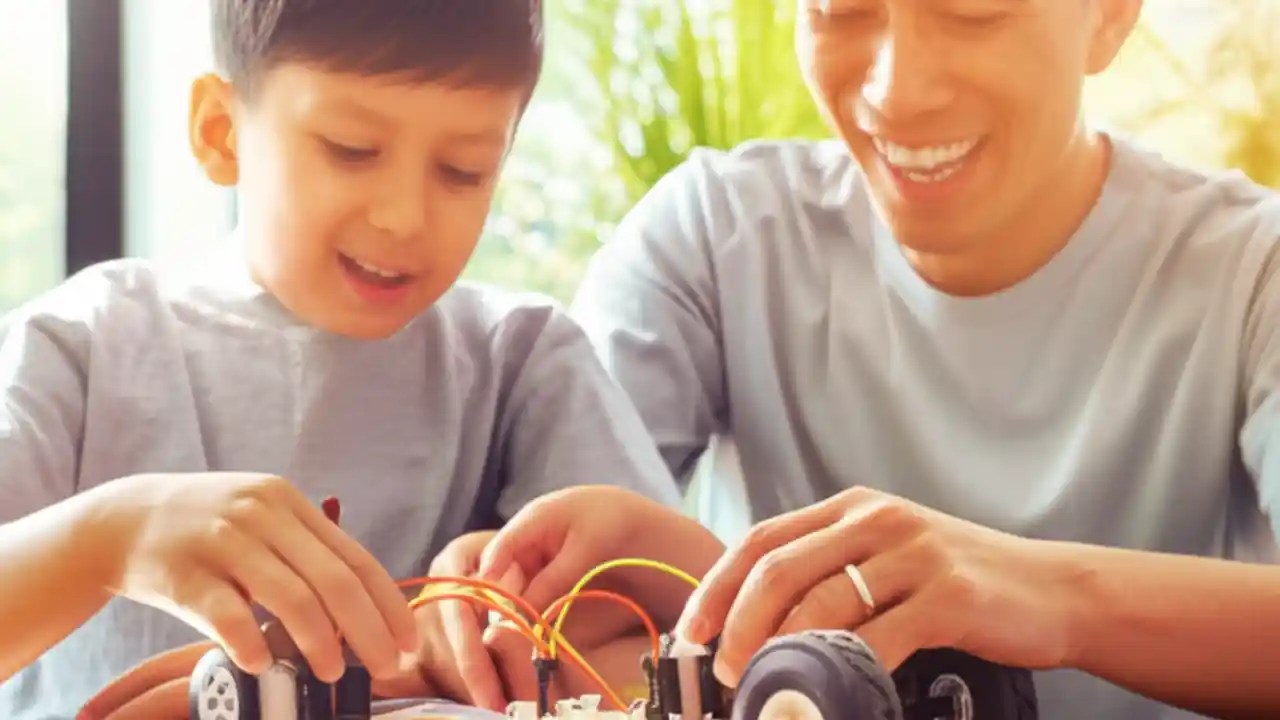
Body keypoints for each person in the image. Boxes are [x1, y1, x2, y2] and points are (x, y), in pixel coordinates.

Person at [457, 0, 1280, 718]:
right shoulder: (713, 238)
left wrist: (1040, 594)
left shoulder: (1251, 271)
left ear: (1109, 13)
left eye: (973, 13)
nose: (897, 90)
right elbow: (584, 623)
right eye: (841, 10)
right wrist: (567, 583)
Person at [0, 1, 712, 717]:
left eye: (462, 172)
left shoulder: (523, 363)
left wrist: (477, 642)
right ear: (221, 132)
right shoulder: (80, 349)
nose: (403, 216)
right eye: (350, 149)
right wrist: (109, 539)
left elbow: (680, 637)